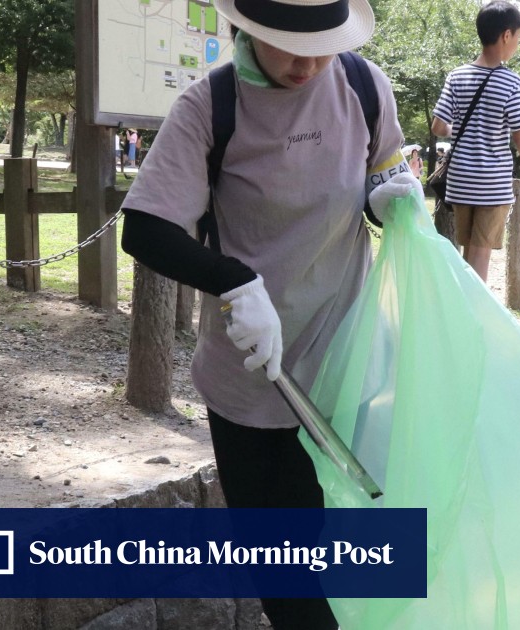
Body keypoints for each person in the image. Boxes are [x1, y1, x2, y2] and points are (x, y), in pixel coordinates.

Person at [117, 1, 414, 627]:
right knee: (287, 573)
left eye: (323, 47)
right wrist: (234, 281)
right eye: (290, 47)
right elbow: (144, 228)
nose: (309, 65)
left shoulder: (364, 85)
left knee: (360, 557)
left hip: (347, 368)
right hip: (254, 378)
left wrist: (391, 200)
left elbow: (382, 170)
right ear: (247, 29)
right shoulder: (210, 106)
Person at [431, 1, 520, 282]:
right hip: (491, 183)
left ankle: (463, 304)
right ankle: (473, 309)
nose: (517, 45)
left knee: (468, 251)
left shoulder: (457, 76)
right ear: (506, 35)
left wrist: (461, 130)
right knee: (480, 255)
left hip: (460, 180)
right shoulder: (512, 83)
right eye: (518, 38)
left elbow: (438, 126)